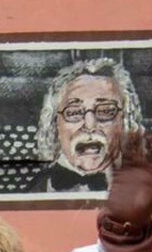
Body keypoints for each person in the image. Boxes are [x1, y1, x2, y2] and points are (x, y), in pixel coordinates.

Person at [21, 56, 144, 195]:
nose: (90, 125)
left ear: (125, 121)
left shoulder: (145, 191)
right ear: (55, 123)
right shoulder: (34, 190)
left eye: (105, 111)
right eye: (74, 112)